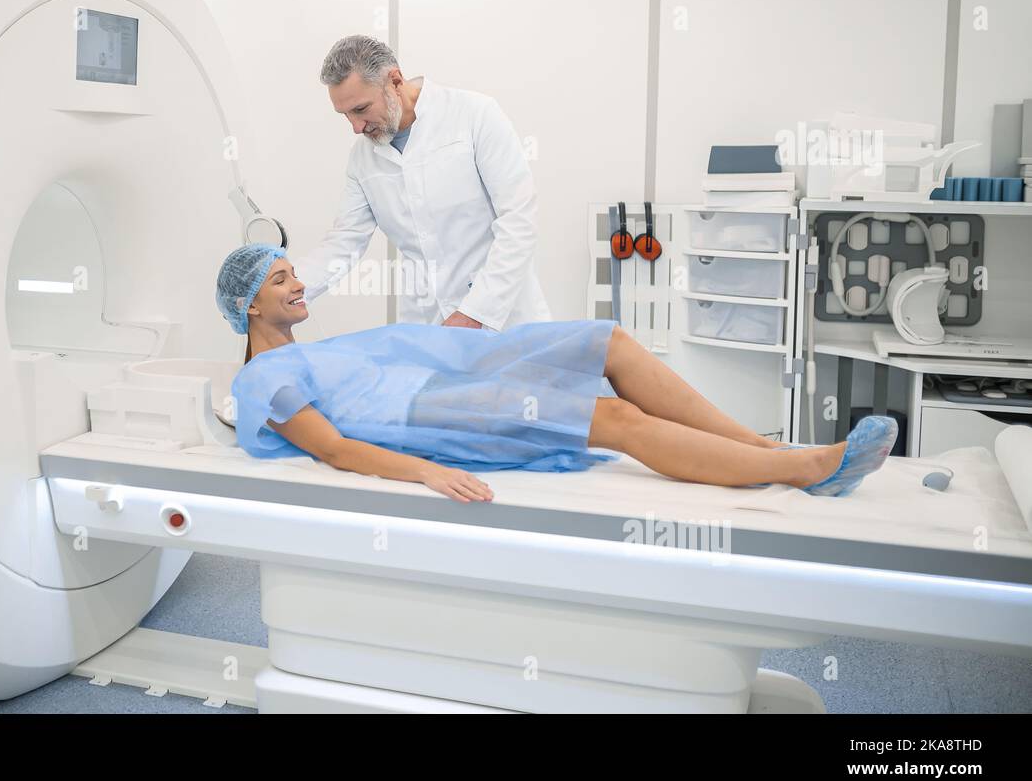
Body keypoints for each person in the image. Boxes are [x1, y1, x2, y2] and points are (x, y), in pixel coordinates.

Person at [216, 243, 897, 503]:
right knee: (613, 420)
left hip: (448, 375)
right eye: (281, 280)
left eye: (294, 272)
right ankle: (807, 470)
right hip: (432, 410)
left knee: (607, 342)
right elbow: (332, 448)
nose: (300, 284)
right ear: (248, 304)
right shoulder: (261, 380)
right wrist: (424, 471)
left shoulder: (306, 353)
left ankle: (761, 446)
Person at [294, 35, 550, 331]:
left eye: (361, 109)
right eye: (345, 115)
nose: (355, 127)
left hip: (505, 319)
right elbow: (344, 241)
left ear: (396, 81)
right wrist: (283, 288)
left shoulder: (474, 115)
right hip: (430, 327)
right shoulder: (362, 158)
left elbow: (518, 220)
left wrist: (476, 311)